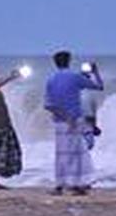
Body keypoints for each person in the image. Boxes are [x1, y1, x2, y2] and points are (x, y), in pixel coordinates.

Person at [44, 51, 103, 195]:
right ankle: (77, 185)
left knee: (61, 154)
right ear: (69, 61)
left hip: (59, 121)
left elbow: (47, 104)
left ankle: (60, 185)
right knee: (77, 154)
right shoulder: (75, 77)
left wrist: (64, 117)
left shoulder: (51, 79)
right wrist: (95, 72)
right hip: (75, 120)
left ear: (55, 62)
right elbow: (99, 86)